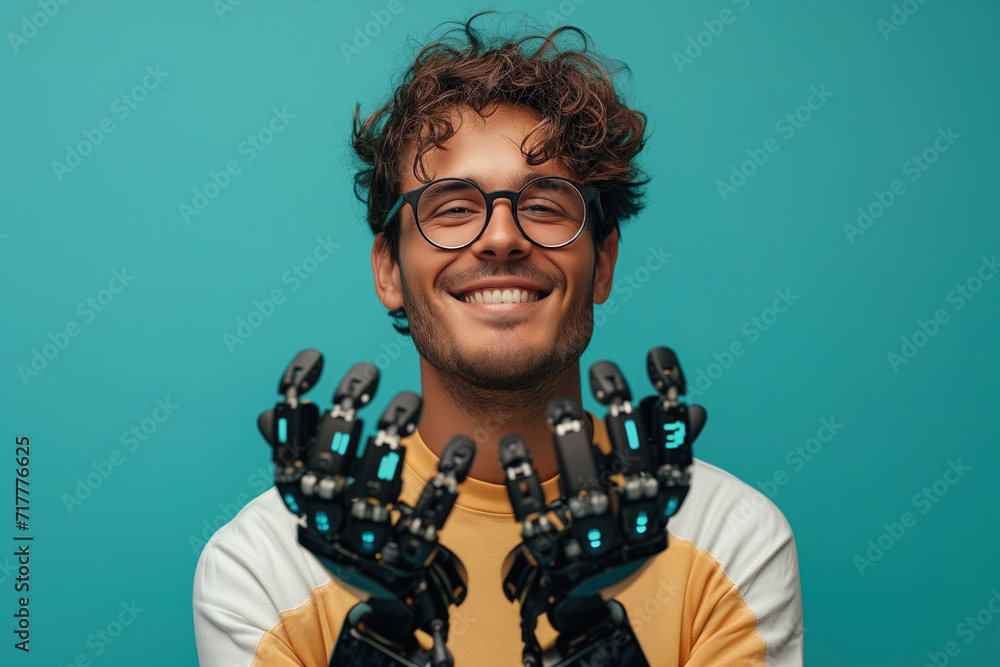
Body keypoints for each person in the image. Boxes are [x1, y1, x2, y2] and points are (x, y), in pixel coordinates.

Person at [193, 14, 804, 666]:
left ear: (602, 262)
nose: (502, 237)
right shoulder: (264, 564)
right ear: (389, 269)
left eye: (545, 203)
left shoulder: (732, 538)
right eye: (452, 207)